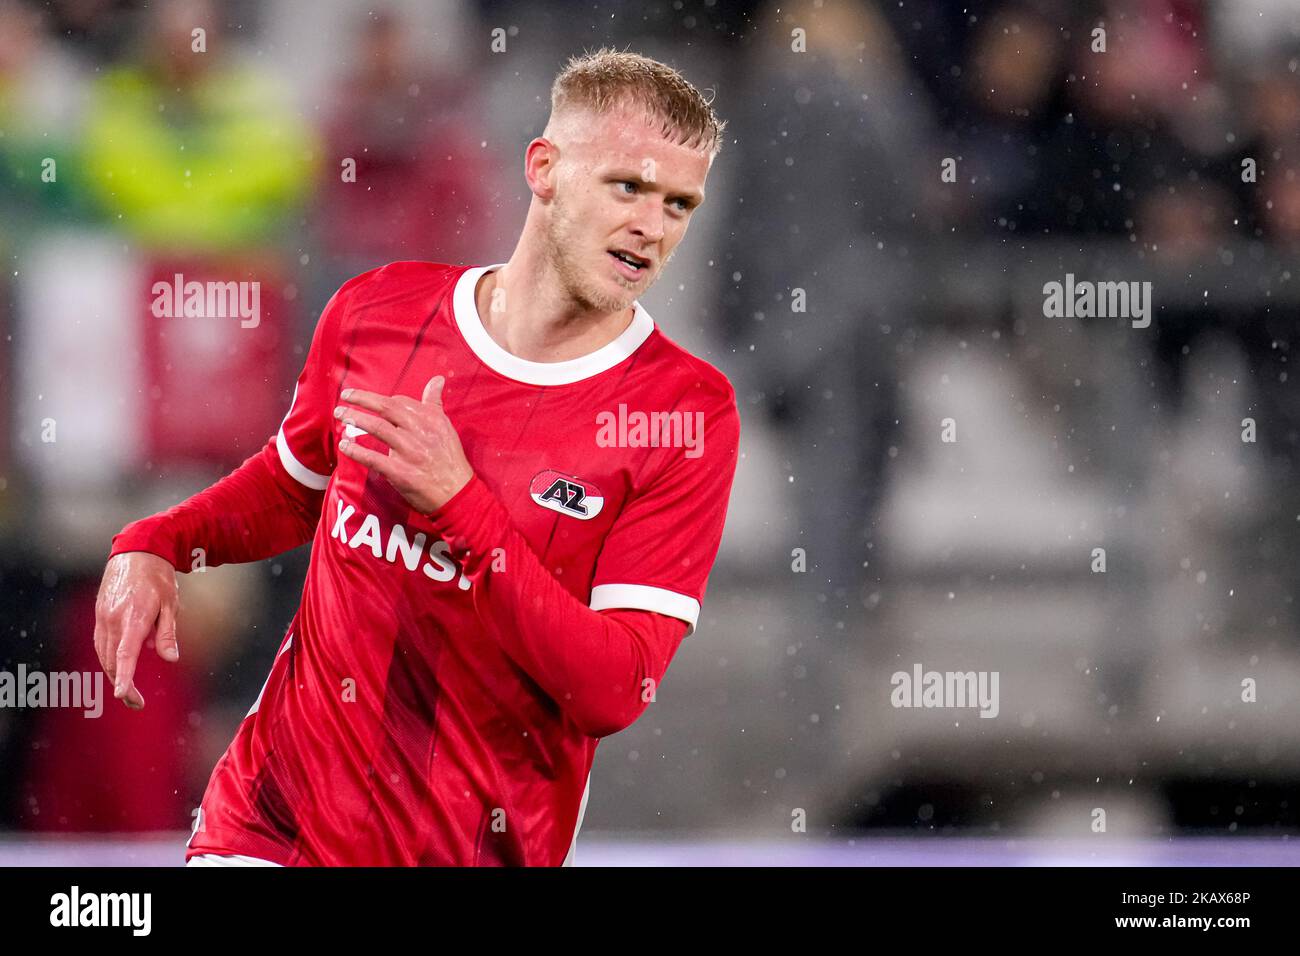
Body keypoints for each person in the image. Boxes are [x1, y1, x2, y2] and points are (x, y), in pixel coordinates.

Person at [92, 48, 740, 867]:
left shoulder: (681, 412)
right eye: (629, 188)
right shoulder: (379, 311)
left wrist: (462, 505)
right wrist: (160, 539)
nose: (653, 226)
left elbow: (613, 688)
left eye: (680, 204)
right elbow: (292, 489)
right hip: (271, 831)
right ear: (544, 167)